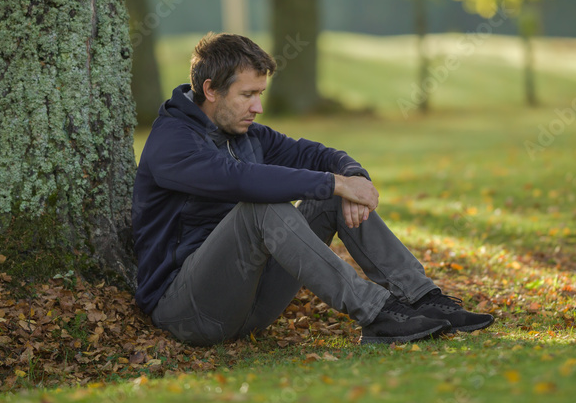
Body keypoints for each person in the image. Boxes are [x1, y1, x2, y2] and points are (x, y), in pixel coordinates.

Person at [132, 33, 493, 346]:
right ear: (210, 89)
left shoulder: (246, 133)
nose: (258, 107)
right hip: (189, 312)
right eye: (247, 95)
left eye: (260, 93)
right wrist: (334, 183)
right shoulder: (172, 142)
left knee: (332, 198)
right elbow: (238, 179)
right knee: (263, 207)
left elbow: (316, 155)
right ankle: (378, 313)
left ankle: (422, 298)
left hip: (252, 307)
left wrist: (354, 178)